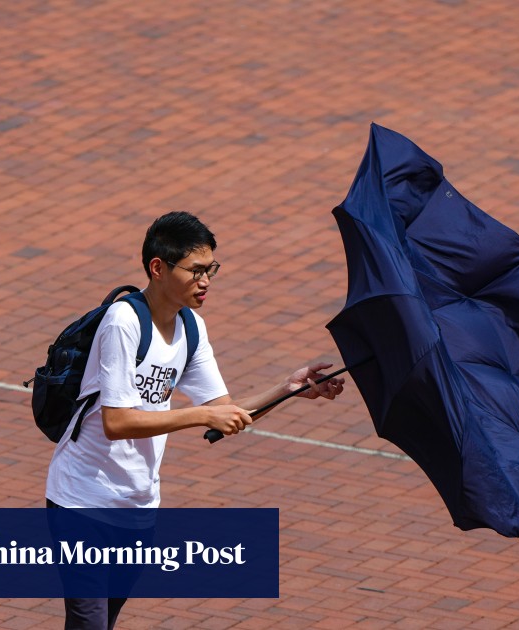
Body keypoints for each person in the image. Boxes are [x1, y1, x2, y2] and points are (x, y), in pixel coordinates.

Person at [44, 210, 345, 628]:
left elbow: (225, 409)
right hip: (82, 501)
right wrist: (200, 415)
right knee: (89, 623)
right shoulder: (124, 322)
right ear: (158, 268)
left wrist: (288, 388)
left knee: (103, 621)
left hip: (138, 505)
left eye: (211, 269)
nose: (206, 281)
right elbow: (117, 422)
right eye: (196, 270)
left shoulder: (192, 328)